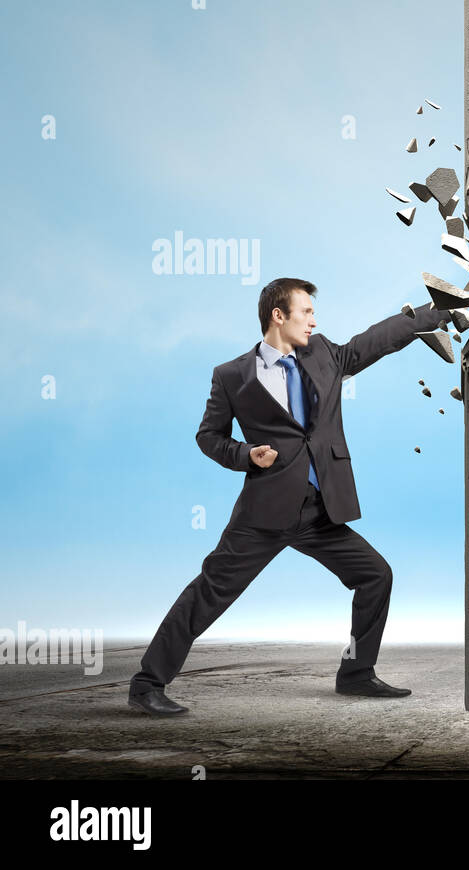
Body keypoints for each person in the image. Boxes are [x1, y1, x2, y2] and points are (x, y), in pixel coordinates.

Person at [127, 278, 450, 715]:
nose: (315, 321)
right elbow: (208, 437)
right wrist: (246, 455)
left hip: (320, 510)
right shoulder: (231, 376)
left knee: (376, 575)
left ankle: (356, 674)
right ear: (279, 316)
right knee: (208, 592)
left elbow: (375, 342)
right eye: (306, 313)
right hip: (265, 511)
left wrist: (438, 312)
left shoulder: (325, 355)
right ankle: (147, 685)